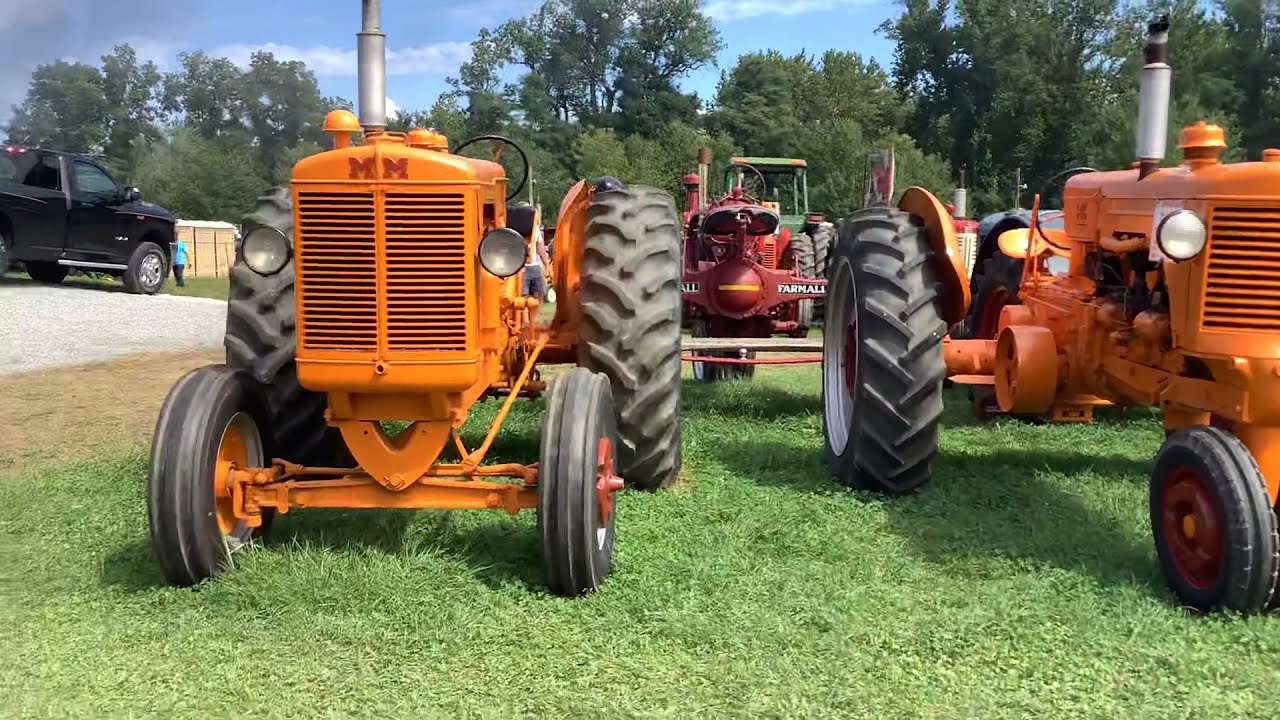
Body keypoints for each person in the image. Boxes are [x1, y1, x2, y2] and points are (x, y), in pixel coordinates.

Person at [523, 221, 552, 300]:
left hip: (534, 267)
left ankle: (534, 312)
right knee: (522, 298)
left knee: (538, 295)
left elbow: (541, 249)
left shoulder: (535, 229)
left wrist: (547, 266)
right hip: (520, 268)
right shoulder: (511, 226)